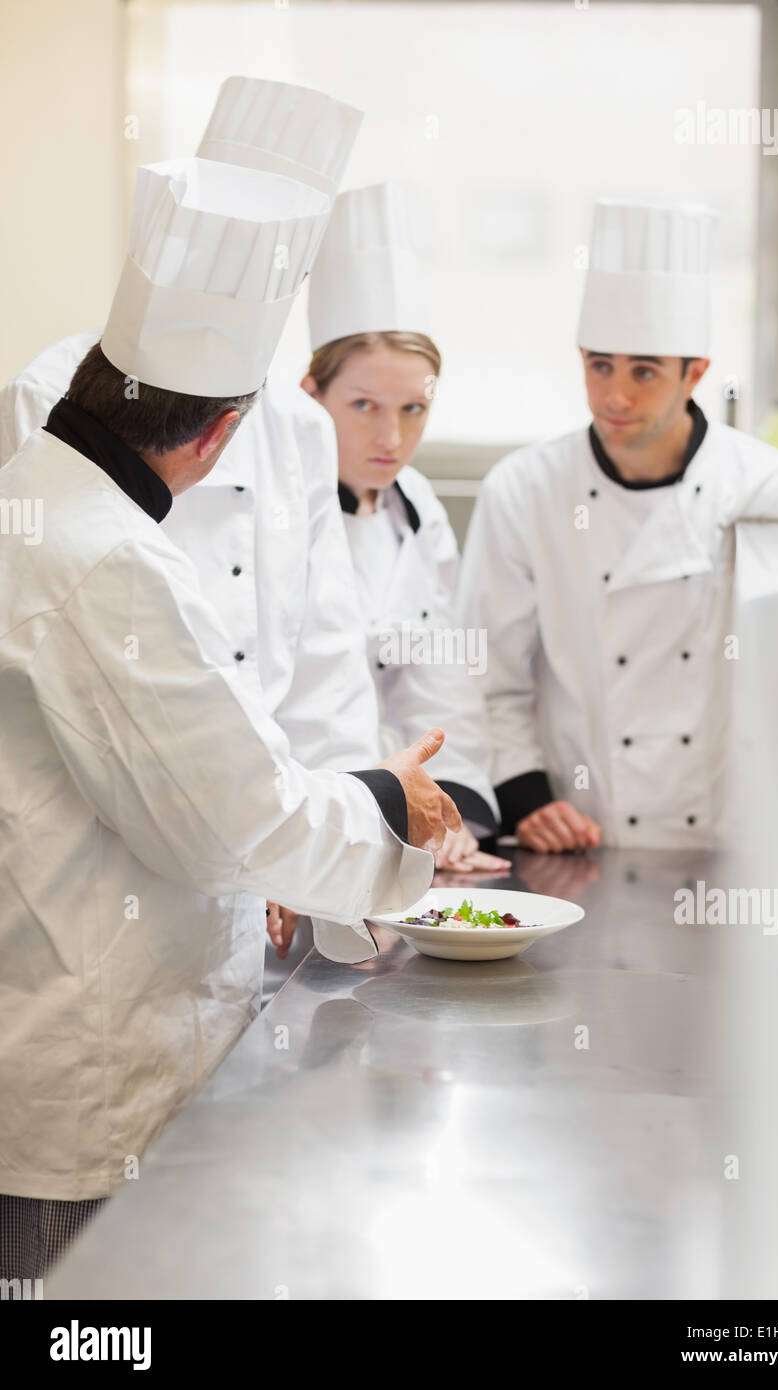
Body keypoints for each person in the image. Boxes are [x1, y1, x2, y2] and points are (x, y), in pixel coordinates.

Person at [0, 154, 459, 1278]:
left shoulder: (44, 505)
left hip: (84, 1025)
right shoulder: (108, 560)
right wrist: (384, 803)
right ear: (216, 436)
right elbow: (230, 823)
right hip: (95, 1068)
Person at [0, 77, 380, 963]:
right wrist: (282, 830)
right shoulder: (49, 400)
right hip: (116, 873)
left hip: (264, 845)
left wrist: (326, 865)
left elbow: (326, 666)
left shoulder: (302, 431)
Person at [459, 199, 778, 851]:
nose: (615, 396)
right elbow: (487, 671)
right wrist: (526, 799)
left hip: (731, 842)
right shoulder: (524, 490)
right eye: (599, 364)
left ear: (695, 374)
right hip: (579, 837)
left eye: (644, 372)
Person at [303, 183, 509, 877]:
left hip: (387, 837)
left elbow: (439, 681)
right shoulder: (271, 512)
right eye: (363, 405)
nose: (392, 437)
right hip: (299, 837)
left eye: (414, 409)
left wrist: (447, 812)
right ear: (313, 394)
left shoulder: (413, 508)